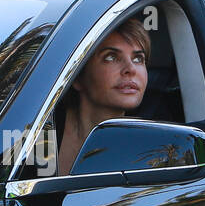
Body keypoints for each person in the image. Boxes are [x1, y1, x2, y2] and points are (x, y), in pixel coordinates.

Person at [53, 18, 150, 176]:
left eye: (138, 59)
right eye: (111, 57)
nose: (130, 69)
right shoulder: (40, 132)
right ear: (77, 76)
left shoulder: (149, 142)